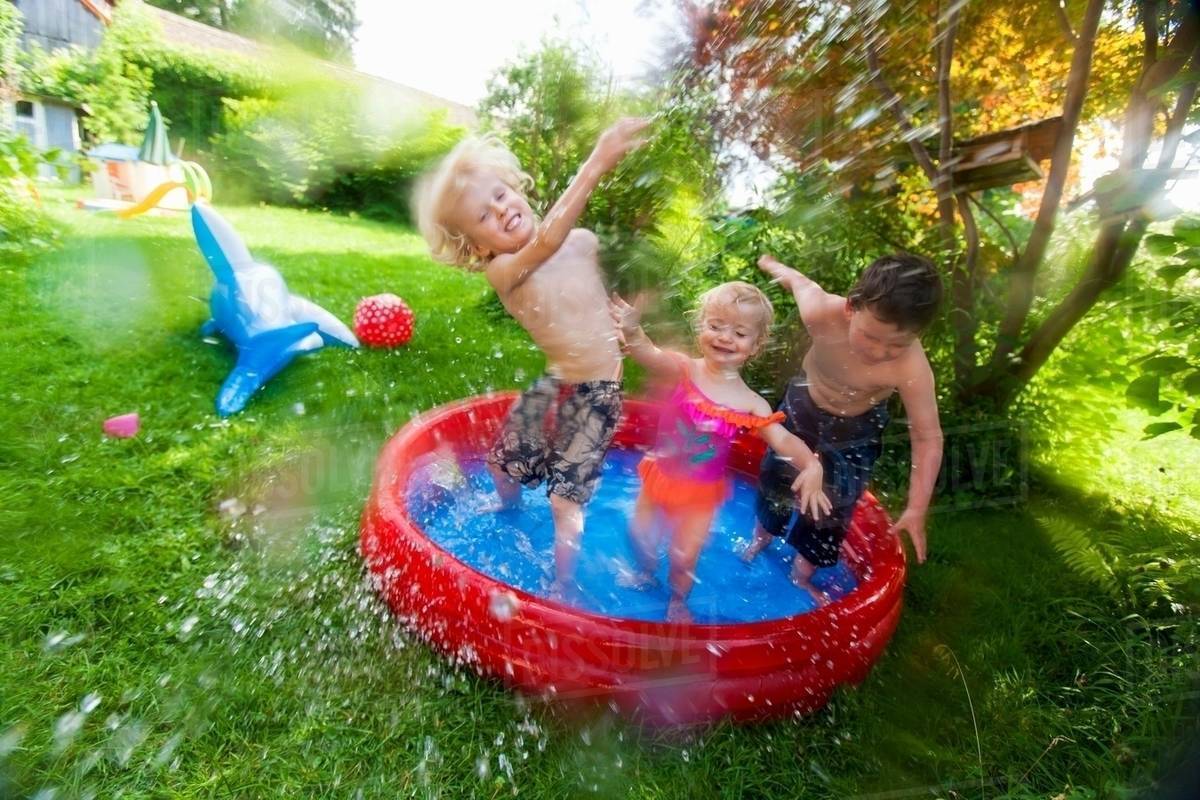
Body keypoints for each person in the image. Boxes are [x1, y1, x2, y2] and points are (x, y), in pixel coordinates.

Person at [414, 118, 649, 595]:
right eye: (483, 216)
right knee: (501, 463)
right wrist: (597, 161)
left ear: (517, 188)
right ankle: (507, 505)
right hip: (556, 381)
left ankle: (560, 586)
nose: (500, 211)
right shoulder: (504, 271)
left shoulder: (583, 245)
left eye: (500, 195)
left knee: (565, 502)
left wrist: (619, 326)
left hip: (597, 394)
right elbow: (546, 241)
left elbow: (593, 299)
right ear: (478, 246)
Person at [611, 283, 831, 622]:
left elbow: (784, 441)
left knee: (684, 557)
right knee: (640, 537)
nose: (725, 337)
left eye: (739, 332)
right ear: (701, 327)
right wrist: (631, 329)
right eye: (715, 326)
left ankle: (679, 600)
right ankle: (645, 573)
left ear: (755, 345)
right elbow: (647, 352)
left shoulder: (750, 403)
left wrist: (811, 466)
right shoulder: (684, 369)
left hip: (700, 494)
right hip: (659, 476)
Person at [742, 253, 944, 603]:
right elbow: (801, 282)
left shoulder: (911, 366)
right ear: (852, 307)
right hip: (803, 405)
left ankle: (802, 574)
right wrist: (775, 266)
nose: (880, 351)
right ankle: (762, 537)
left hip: (857, 427)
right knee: (777, 477)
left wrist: (916, 507)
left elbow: (927, 436)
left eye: (896, 344)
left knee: (834, 506)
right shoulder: (821, 313)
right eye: (871, 336)